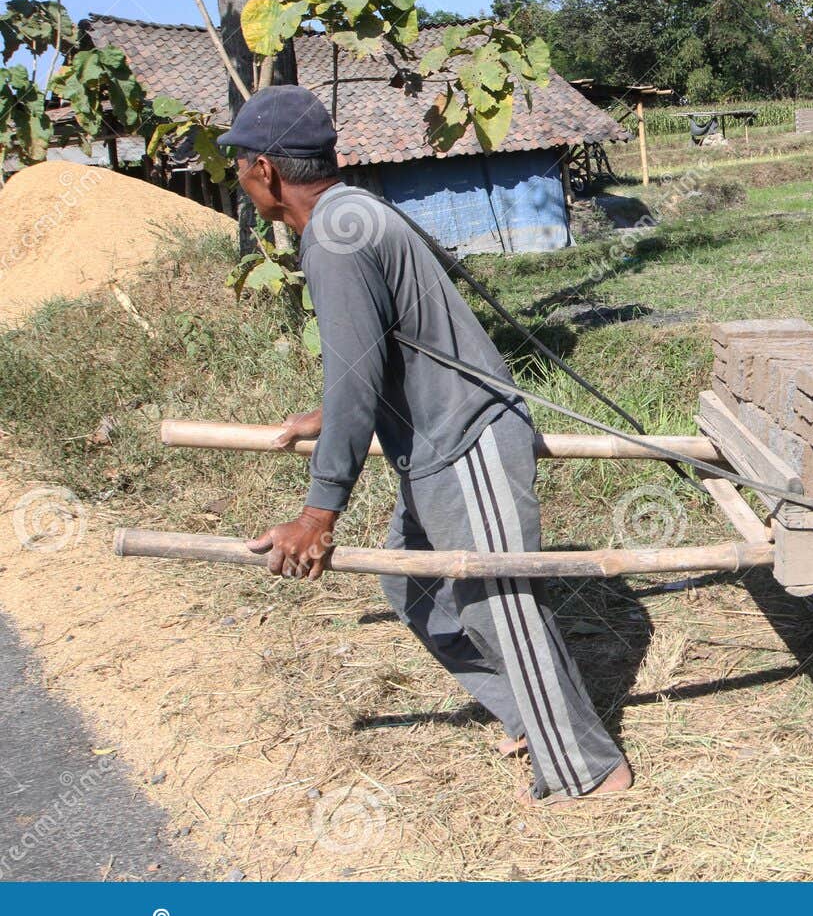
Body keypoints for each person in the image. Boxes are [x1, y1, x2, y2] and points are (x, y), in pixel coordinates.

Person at [223, 85, 632, 804]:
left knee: (494, 603)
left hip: (464, 436)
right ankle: (529, 713)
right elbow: (369, 356)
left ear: (265, 170)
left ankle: (590, 768)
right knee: (411, 586)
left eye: (238, 167)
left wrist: (318, 514)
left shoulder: (334, 237)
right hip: (436, 440)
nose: (238, 178)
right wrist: (330, 413)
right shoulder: (350, 215)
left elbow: (355, 370)